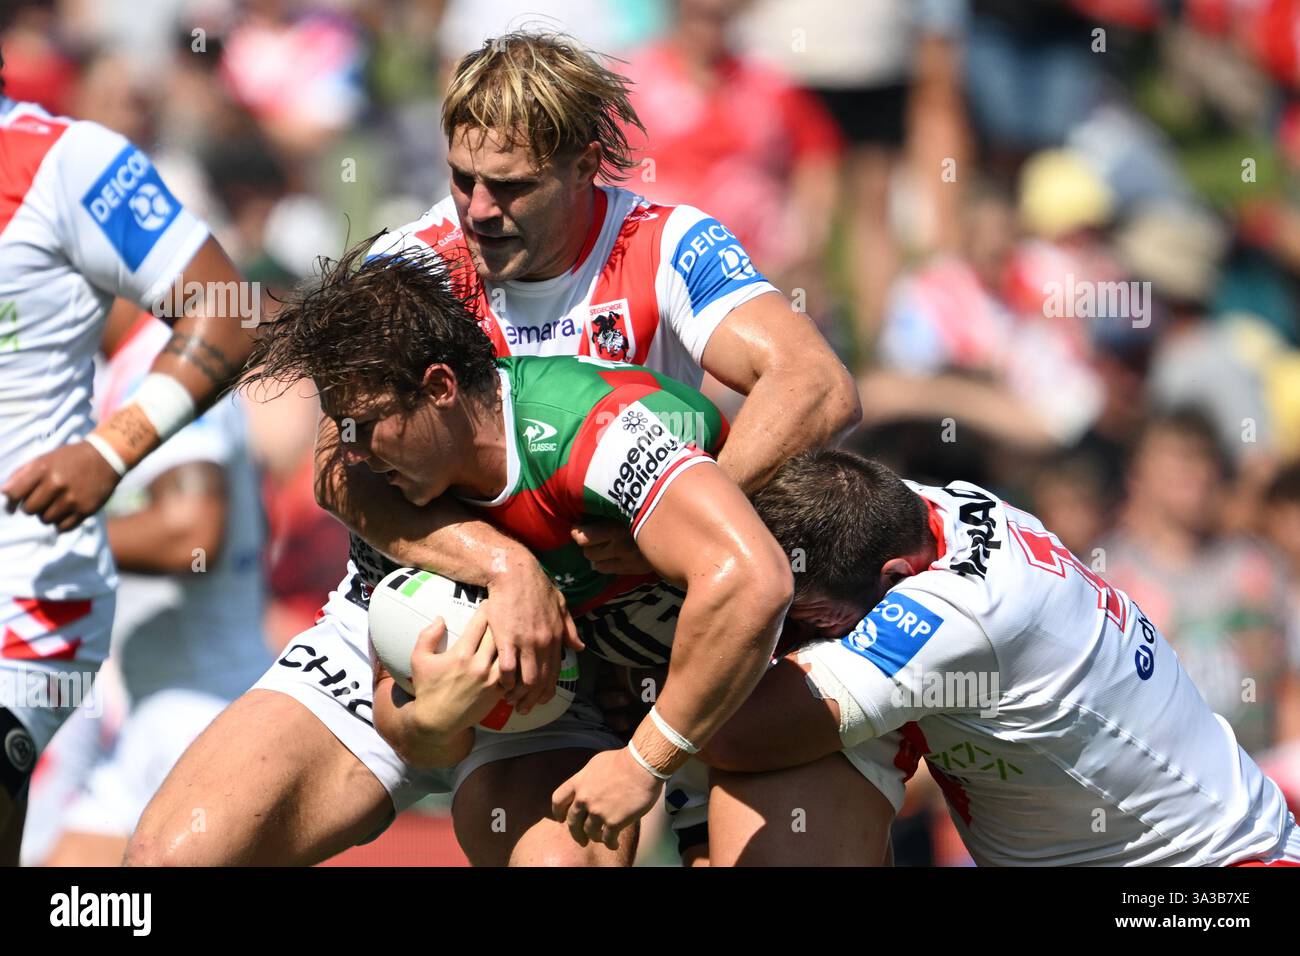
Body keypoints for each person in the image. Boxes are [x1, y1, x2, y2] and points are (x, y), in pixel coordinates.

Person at [123, 30, 857, 867]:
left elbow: (814, 383)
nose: (476, 209)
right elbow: (338, 469)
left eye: (509, 186)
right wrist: (506, 569)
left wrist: (671, 527)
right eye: (461, 178)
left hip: (600, 651)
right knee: (165, 863)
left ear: (586, 164)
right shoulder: (416, 263)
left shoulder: (664, 244)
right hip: (407, 609)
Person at [130, 243, 793, 865]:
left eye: (363, 424)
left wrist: (642, 762)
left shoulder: (596, 433)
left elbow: (755, 583)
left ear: (443, 387)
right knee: (168, 859)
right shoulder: (390, 478)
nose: (349, 455)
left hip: (589, 690)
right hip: (418, 674)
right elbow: (399, 694)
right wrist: (436, 717)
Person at [699, 448, 1300, 866]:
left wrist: (635, 680)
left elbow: (730, 735)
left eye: (810, 619)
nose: (793, 635)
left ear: (893, 579)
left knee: (766, 731)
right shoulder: (912, 510)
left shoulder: (962, 616)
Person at [0, 69, 256, 863]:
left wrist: (109, 452)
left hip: (32, 600)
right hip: (138, 706)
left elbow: (227, 307)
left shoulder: (64, 163)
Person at [22, 304, 270, 866]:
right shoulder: (120, 371)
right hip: (148, 722)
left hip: (206, 720)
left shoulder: (171, 363)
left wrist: (31, 543)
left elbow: (190, 530)